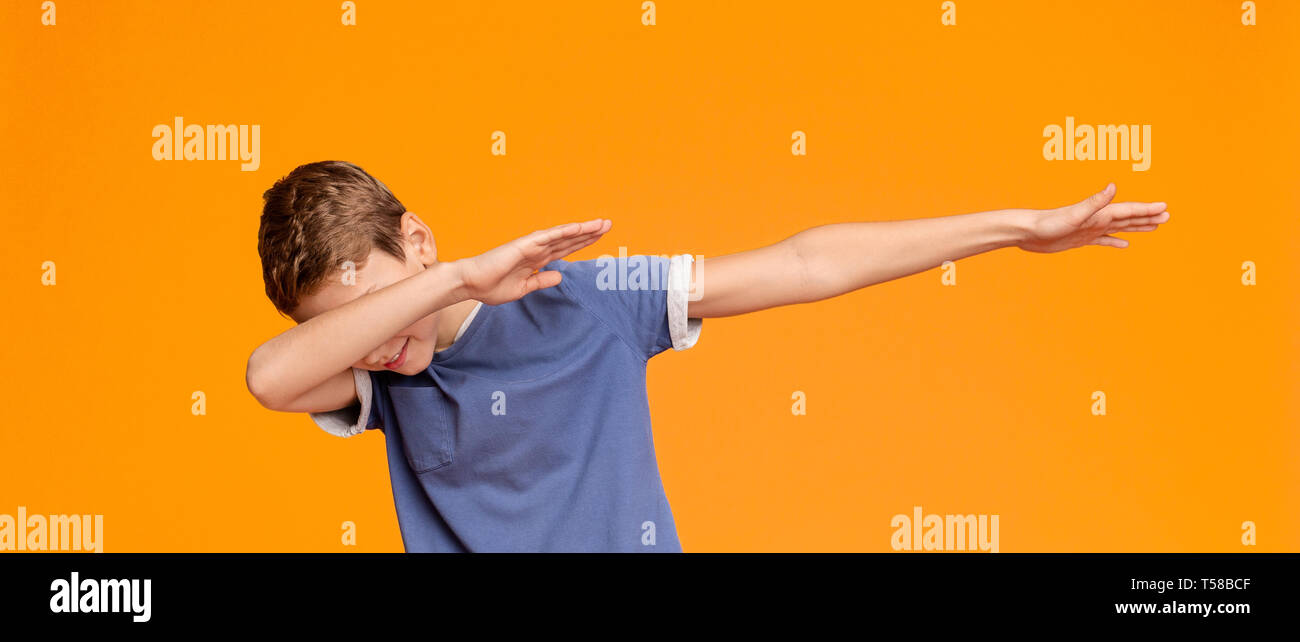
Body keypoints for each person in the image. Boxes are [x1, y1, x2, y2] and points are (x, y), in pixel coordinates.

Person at [247, 160, 1169, 551]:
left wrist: (1018, 229)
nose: (383, 343)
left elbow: (807, 263)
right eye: (361, 328)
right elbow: (267, 377)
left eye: (387, 305)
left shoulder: (586, 302)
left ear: (418, 237)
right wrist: (447, 285)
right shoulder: (379, 375)